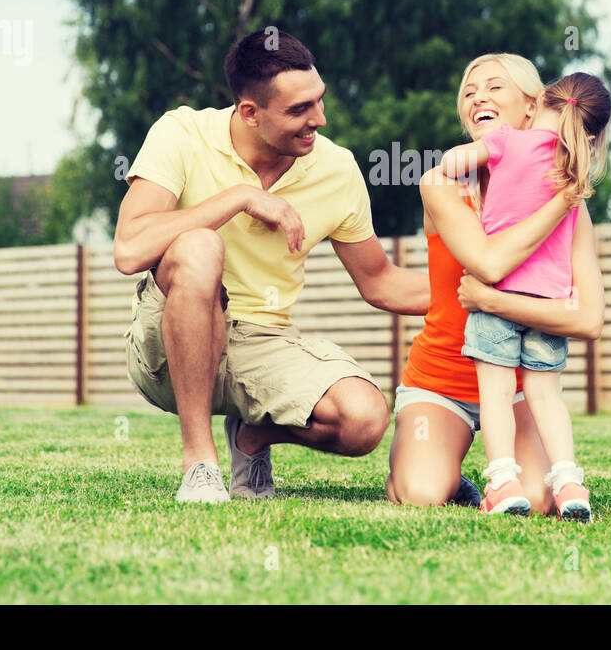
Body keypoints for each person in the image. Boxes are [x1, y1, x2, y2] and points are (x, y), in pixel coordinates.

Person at [115, 29, 429, 503]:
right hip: (167, 351)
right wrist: (240, 199)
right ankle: (200, 465)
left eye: (319, 101)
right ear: (249, 113)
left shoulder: (336, 169)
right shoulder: (180, 133)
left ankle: (251, 438)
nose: (319, 120)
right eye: (299, 110)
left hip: (264, 342)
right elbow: (129, 248)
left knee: (364, 420)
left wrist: (484, 288)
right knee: (199, 247)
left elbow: (381, 281)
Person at [386, 54, 605, 517]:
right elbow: (488, 262)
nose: (478, 97)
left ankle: (506, 480)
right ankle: (454, 473)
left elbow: (587, 318)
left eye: (494, 87)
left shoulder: (570, 200)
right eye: (469, 92)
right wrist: (562, 201)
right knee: (423, 492)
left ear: (533, 107)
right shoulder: (441, 182)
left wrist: (493, 303)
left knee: (541, 499)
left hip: (524, 382)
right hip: (442, 379)